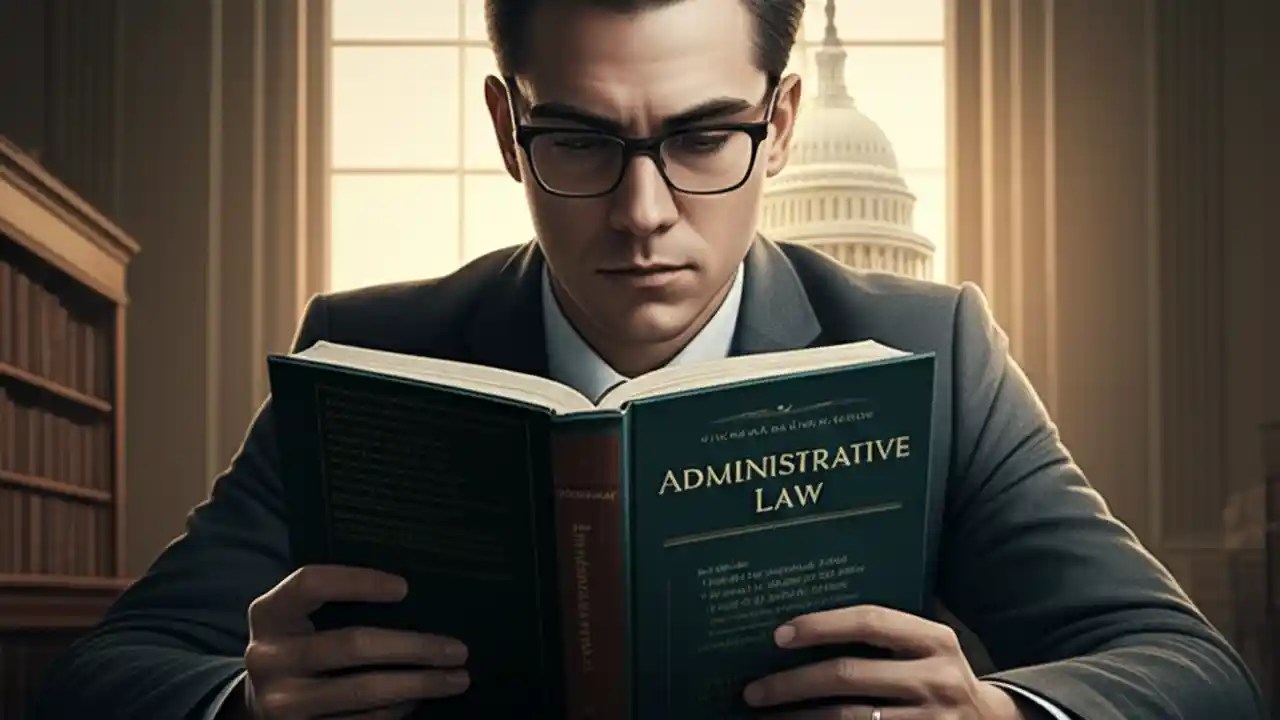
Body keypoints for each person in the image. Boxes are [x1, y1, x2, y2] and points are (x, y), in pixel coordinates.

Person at [32, 0, 1265, 718]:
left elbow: (1193, 674)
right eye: (577, 138)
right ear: (507, 132)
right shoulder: (366, 349)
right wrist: (246, 705)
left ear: (777, 126)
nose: (641, 212)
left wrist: (999, 714)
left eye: (702, 137)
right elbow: (100, 678)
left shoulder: (934, 347)